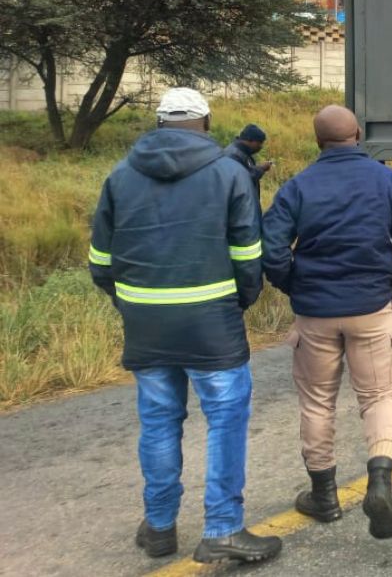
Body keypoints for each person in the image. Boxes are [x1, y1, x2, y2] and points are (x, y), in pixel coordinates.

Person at [87, 88, 281, 565]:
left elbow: (100, 262)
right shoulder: (229, 173)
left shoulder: (120, 175)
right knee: (225, 420)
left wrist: (133, 304)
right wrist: (240, 302)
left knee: (157, 422)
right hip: (211, 322)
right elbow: (247, 255)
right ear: (207, 122)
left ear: (158, 123)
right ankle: (222, 529)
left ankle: (158, 527)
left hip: (146, 323)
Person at [262, 105, 392, 540]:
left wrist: (294, 286)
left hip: (315, 312)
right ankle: (379, 480)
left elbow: (272, 248)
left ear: (318, 141)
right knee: (378, 396)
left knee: (317, 402)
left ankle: (325, 497)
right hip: (372, 309)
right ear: (358, 134)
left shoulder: (297, 187)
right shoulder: (389, 182)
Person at [224, 124, 273, 190]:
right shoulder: (233, 155)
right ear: (250, 139)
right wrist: (261, 168)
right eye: (259, 142)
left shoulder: (244, 153)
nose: (261, 146)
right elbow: (242, 181)